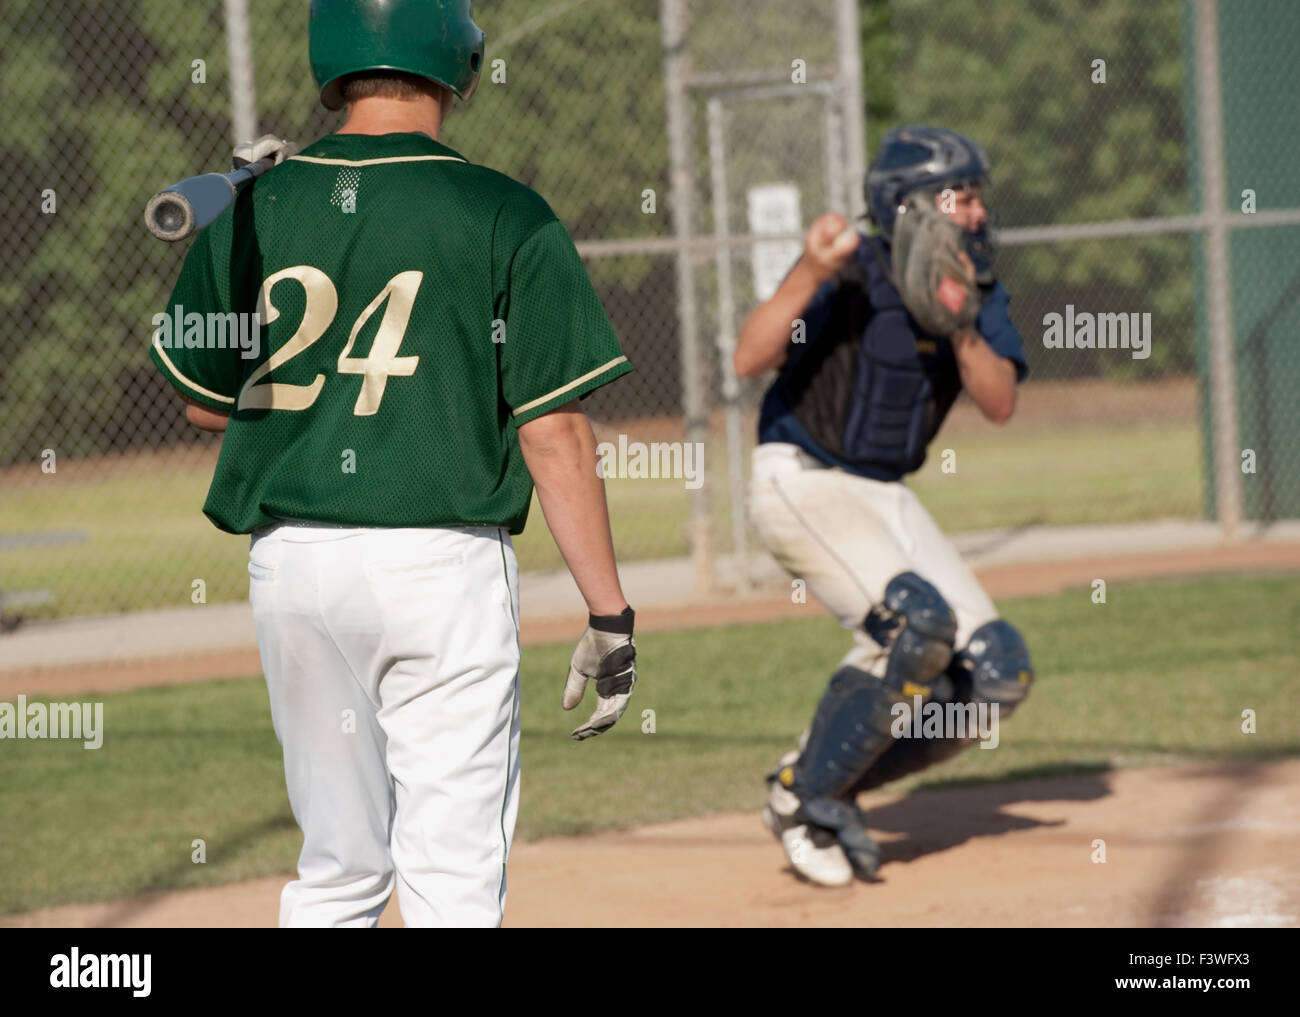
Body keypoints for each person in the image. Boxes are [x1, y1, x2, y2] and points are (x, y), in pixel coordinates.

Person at [149, 0, 638, 926]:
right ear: (455, 57)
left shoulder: (252, 200)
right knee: (450, 874)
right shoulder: (504, 210)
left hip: (291, 567)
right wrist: (609, 611)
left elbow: (205, 402)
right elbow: (553, 433)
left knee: (337, 866)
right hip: (436, 567)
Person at [733, 125, 1035, 887]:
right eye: (958, 196)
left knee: (997, 673)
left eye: (975, 197)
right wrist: (808, 269)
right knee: (916, 626)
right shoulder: (852, 269)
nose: (975, 212)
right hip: (799, 478)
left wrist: (959, 319)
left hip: (882, 495)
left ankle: (815, 781)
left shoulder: (972, 284)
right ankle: (810, 795)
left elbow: (999, 401)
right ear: (911, 206)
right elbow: (748, 356)